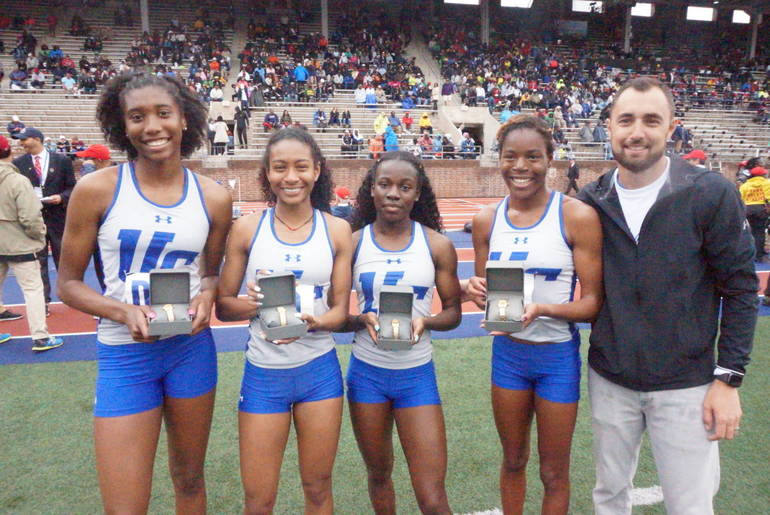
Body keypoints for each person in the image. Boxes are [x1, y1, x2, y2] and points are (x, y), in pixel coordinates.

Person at [577, 77, 758, 515]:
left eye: (651, 120)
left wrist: (728, 378)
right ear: (610, 126)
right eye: (626, 120)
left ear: (671, 127)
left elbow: (740, 288)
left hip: (687, 383)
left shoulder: (708, 192)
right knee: (609, 497)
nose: (637, 131)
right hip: (610, 378)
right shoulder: (591, 199)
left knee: (690, 505)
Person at [56, 72, 232, 513]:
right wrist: (122, 313)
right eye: (137, 117)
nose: (152, 127)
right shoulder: (97, 189)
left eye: (163, 114)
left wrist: (206, 296)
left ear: (185, 120)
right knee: (125, 504)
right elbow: (69, 284)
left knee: (189, 481)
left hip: (190, 350)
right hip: (124, 354)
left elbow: (211, 275)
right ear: (123, 126)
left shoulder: (213, 197)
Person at [465, 114, 603, 514]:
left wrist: (543, 308)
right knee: (512, 460)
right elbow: (485, 296)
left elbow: (593, 304)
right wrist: (477, 292)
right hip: (509, 357)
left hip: (556, 358)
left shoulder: (575, 215)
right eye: (510, 157)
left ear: (550, 159)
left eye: (533, 157)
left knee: (554, 472)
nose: (521, 167)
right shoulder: (485, 221)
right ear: (499, 159)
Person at [215, 127, 352, 514]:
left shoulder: (338, 230)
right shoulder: (246, 228)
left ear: (318, 170)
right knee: (259, 498)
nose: (290, 177)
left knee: (318, 488)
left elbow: (341, 310)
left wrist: (316, 322)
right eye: (280, 168)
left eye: (300, 167)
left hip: (319, 372)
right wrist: (255, 305)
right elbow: (224, 305)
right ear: (267, 172)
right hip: (263, 374)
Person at [343, 151, 461, 514]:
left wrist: (426, 322)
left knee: (431, 495)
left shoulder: (437, 245)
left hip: (416, 376)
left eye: (404, 186)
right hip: (367, 375)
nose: (393, 193)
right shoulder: (352, 243)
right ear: (372, 191)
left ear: (417, 194)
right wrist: (361, 319)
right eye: (385, 184)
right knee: (379, 475)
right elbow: (333, 315)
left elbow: (454, 312)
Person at [0, 135, 64, 351]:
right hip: (20, 243)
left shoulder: (17, 178)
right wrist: (38, 236)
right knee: (33, 289)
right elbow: (30, 217)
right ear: (9, 152)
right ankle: (40, 337)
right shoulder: (17, 180)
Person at [13, 127, 76, 310]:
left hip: (58, 218)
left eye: (24, 139)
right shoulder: (20, 163)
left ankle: (71, 297)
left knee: (63, 261)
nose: (22, 143)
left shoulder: (61, 160)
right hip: (34, 219)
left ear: (37, 139)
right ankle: (43, 303)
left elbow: (72, 187)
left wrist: (62, 197)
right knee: (38, 263)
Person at [739, 166, 770, 263]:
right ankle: (759, 255)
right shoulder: (766, 183)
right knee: (760, 232)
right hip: (761, 208)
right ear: (762, 175)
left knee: (751, 231)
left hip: (748, 208)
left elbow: (741, 198)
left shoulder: (745, 185)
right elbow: (768, 196)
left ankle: (752, 253)